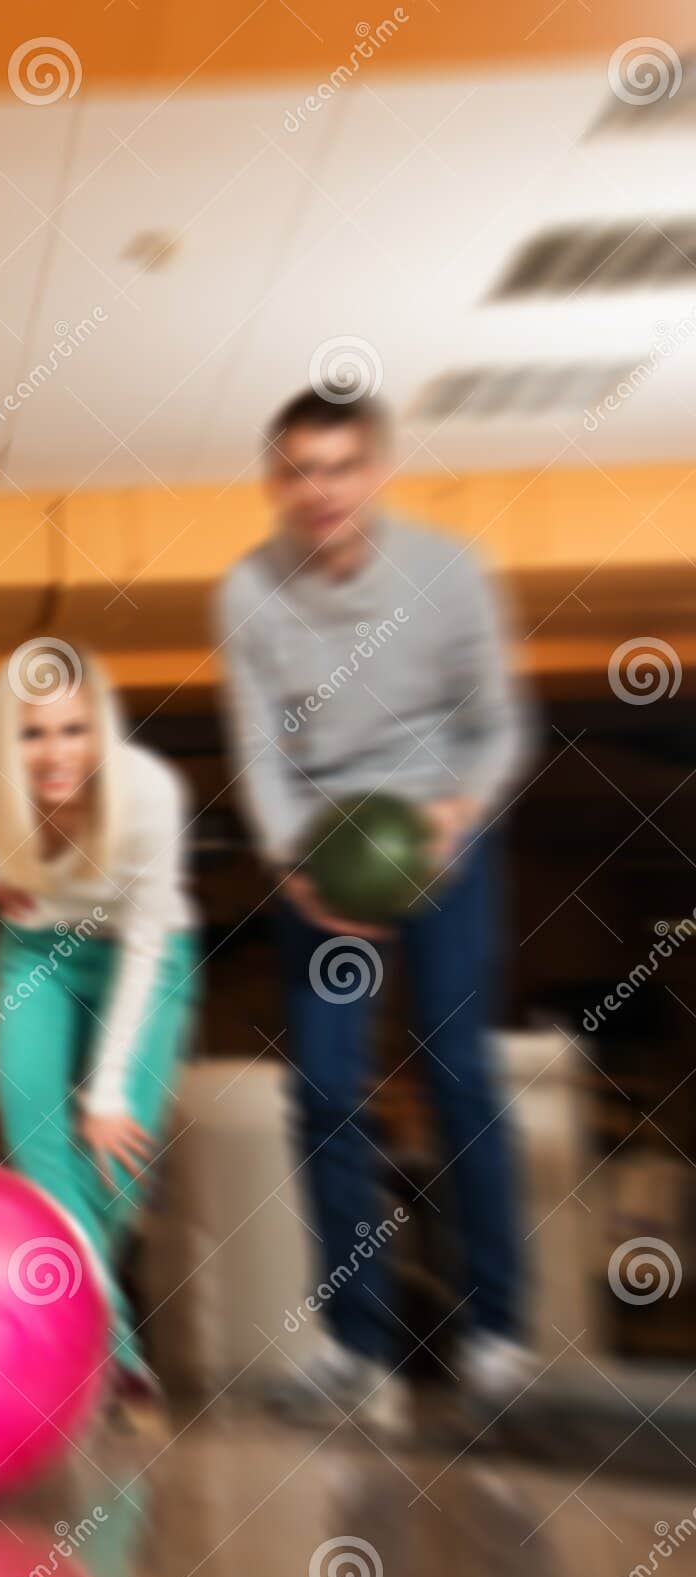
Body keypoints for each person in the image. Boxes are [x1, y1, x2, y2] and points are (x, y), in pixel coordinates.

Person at [214, 389, 534, 1436]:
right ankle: (358, 1352)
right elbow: (259, 749)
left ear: (375, 471)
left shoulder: (446, 573)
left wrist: (456, 815)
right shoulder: (247, 592)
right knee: (319, 1091)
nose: (320, 492)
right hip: (321, 848)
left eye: (340, 468)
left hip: (438, 834)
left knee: (456, 1071)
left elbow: (497, 726)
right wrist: (287, 862)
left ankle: (496, 1339)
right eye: (299, 471)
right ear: (276, 482)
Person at [0, 641, 197, 1425]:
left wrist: (104, 1093)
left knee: (113, 1165)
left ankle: (69, 1330)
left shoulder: (149, 793)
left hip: (147, 957)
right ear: (7, 738)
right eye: (33, 733)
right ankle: (116, 1358)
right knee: (38, 1147)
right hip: (36, 950)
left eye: (74, 730)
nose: (55, 753)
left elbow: (142, 944)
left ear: (101, 730)